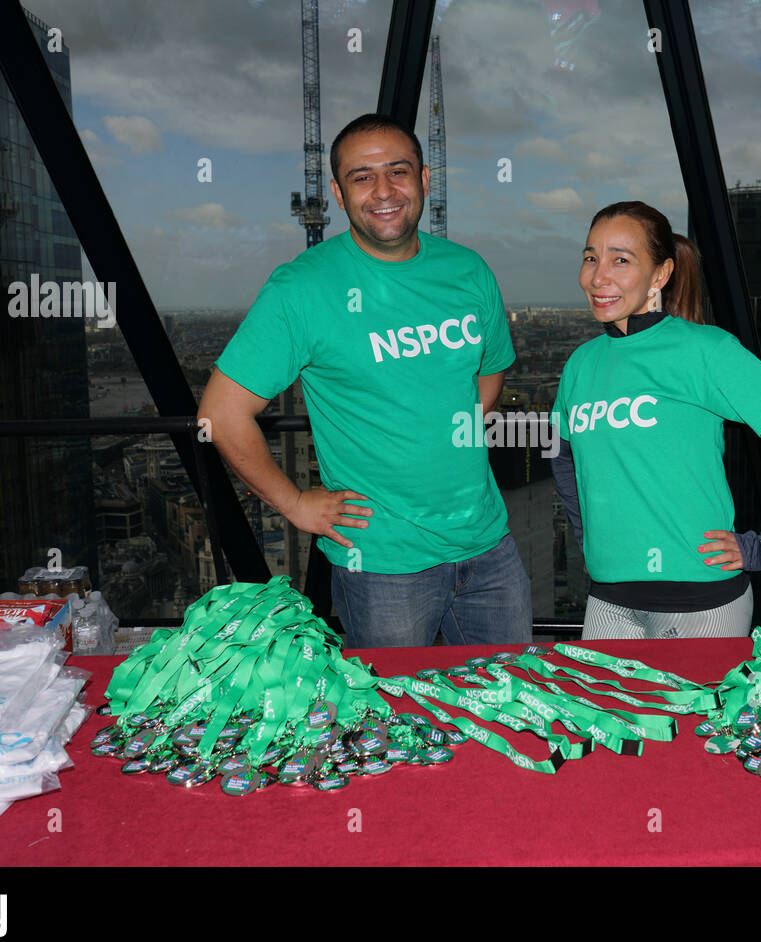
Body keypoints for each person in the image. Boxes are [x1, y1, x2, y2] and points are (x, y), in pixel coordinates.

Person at [198, 114, 531, 648]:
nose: (383, 191)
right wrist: (293, 503)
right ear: (336, 192)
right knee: (391, 722)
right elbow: (220, 413)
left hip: (488, 546)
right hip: (381, 563)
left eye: (398, 172)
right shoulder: (301, 289)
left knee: (510, 706)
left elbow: (488, 375)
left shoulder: (469, 272)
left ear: (424, 179)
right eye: (361, 176)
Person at [552, 201, 761, 639]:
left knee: (696, 711)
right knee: (608, 712)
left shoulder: (705, 351)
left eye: (620, 260)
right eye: (591, 257)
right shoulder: (581, 364)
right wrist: (587, 536)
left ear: (661, 274)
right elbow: (561, 455)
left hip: (701, 604)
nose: (597, 277)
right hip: (607, 599)